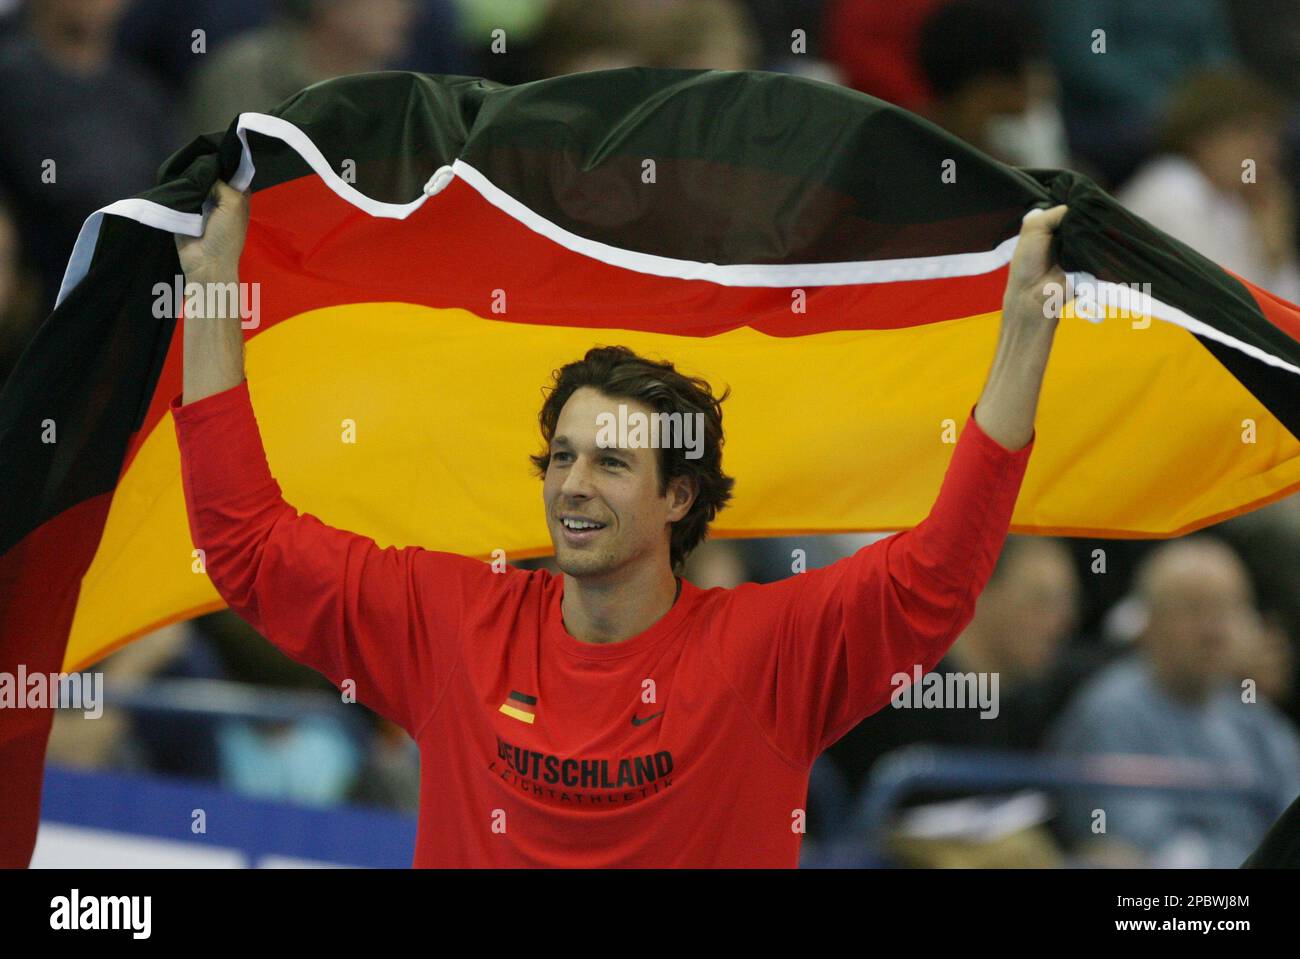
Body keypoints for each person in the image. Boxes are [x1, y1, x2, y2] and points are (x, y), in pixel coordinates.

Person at [169, 180, 1066, 867]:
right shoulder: (450, 621)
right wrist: (210, 294)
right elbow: (244, 546)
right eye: (562, 455)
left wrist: (1024, 327)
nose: (573, 484)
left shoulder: (767, 652)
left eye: (611, 461)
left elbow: (936, 578)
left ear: (680, 498)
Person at [1047, 536, 1300, 868]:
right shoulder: (1112, 711)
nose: (1214, 632)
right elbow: (1134, 844)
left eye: (1228, 609)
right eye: (1194, 610)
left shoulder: (1255, 719)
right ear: (1149, 623)